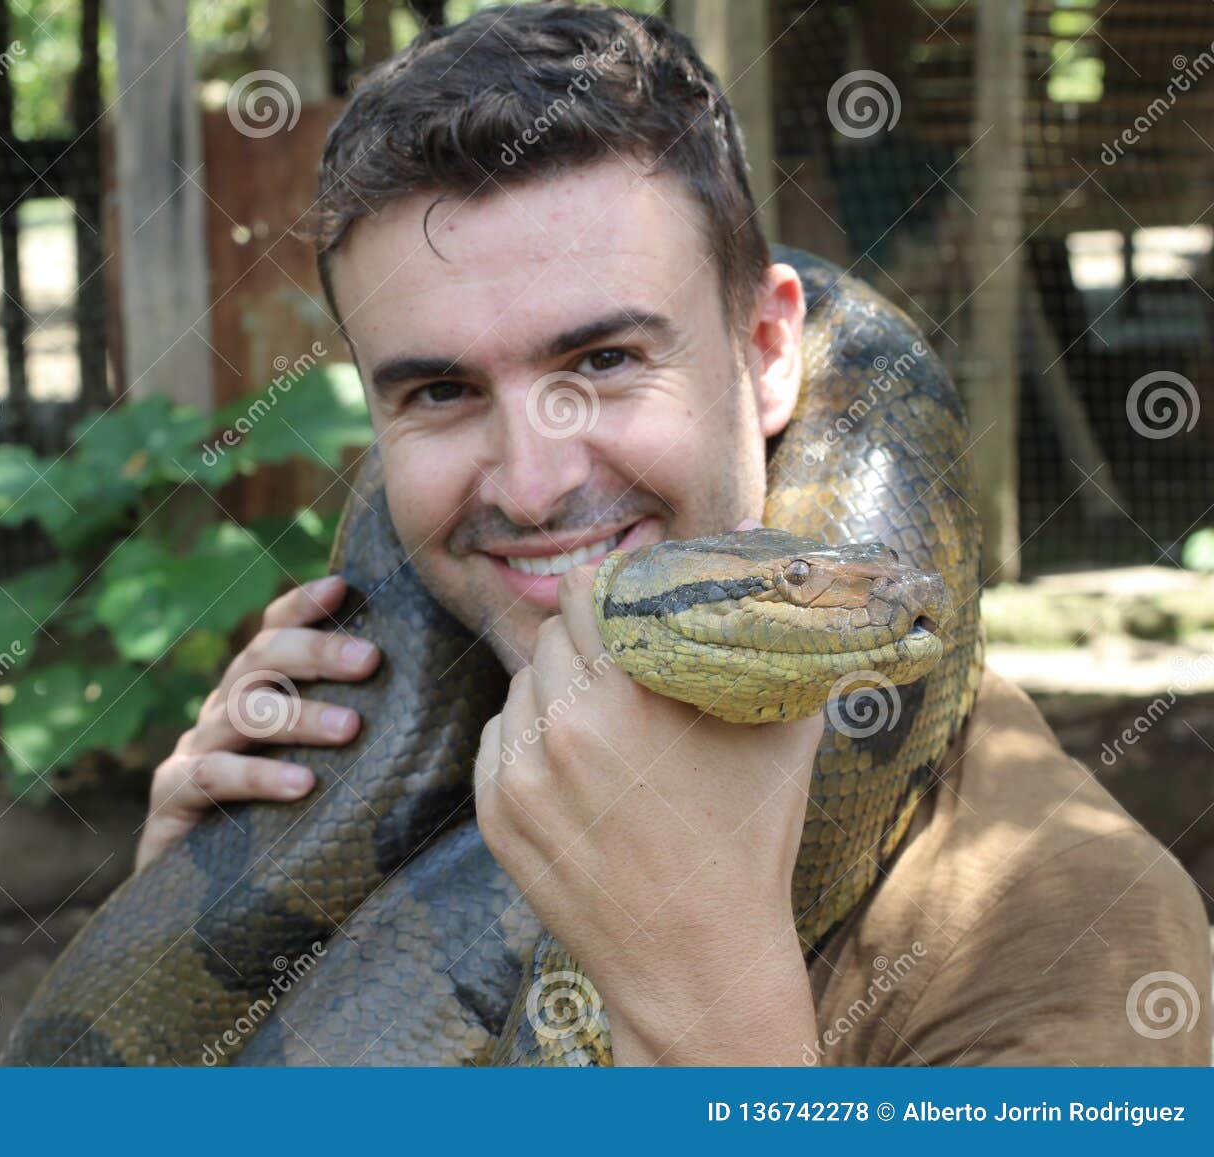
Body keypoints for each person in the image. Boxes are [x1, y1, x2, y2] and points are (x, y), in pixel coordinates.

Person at [136, 2, 1211, 1065]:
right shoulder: (360, 783)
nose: (533, 485)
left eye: (605, 361)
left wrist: (711, 1001)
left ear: (767, 352)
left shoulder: (1072, 943)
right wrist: (191, 931)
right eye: (441, 391)